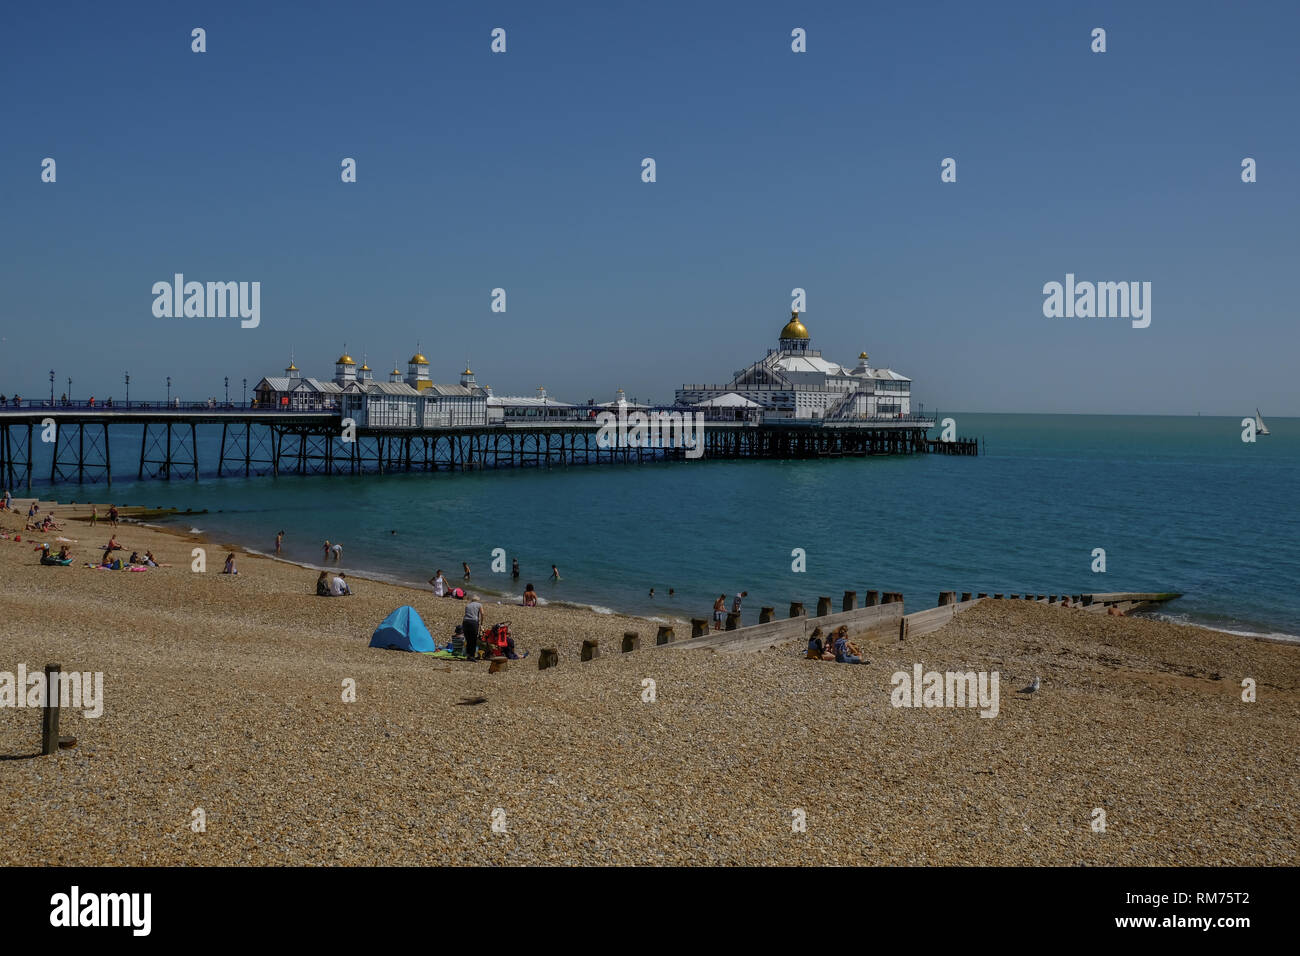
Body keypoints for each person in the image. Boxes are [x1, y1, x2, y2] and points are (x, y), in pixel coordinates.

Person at [463, 594, 483, 660]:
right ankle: (472, 656)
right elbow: (482, 613)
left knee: (468, 639)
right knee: (473, 639)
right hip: (473, 622)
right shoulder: (479, 605)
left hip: (465, 622)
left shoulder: (468, 605)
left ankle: (468, 655)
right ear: (478, 600)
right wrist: (481, 623)